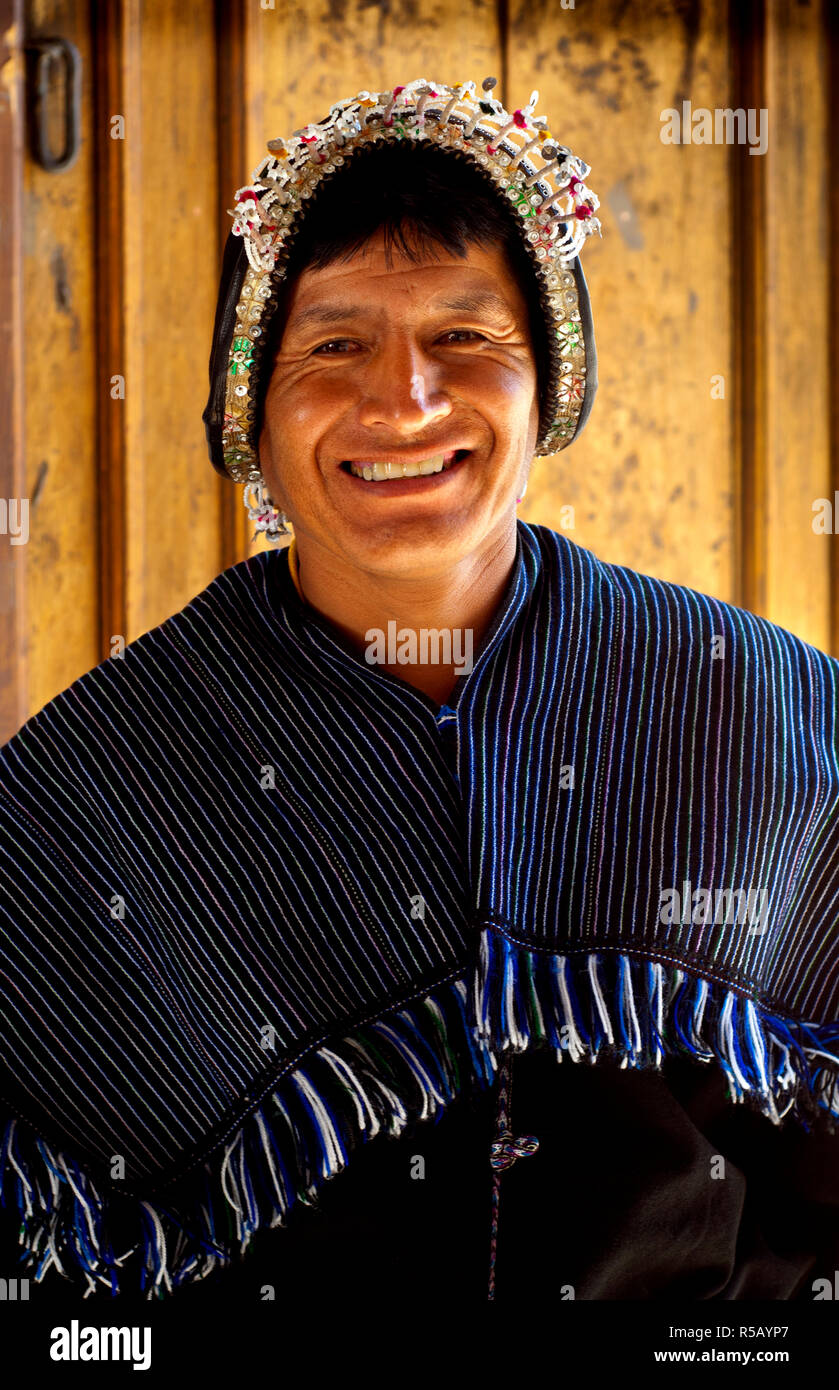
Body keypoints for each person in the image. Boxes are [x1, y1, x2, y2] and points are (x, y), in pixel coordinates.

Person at [1, 77, 838, 1306]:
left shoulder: (754, 709)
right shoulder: (93, 785)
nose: (404, 400)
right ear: (249, 413)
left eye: (464, 338)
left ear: (548, 386)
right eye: (335, 345)